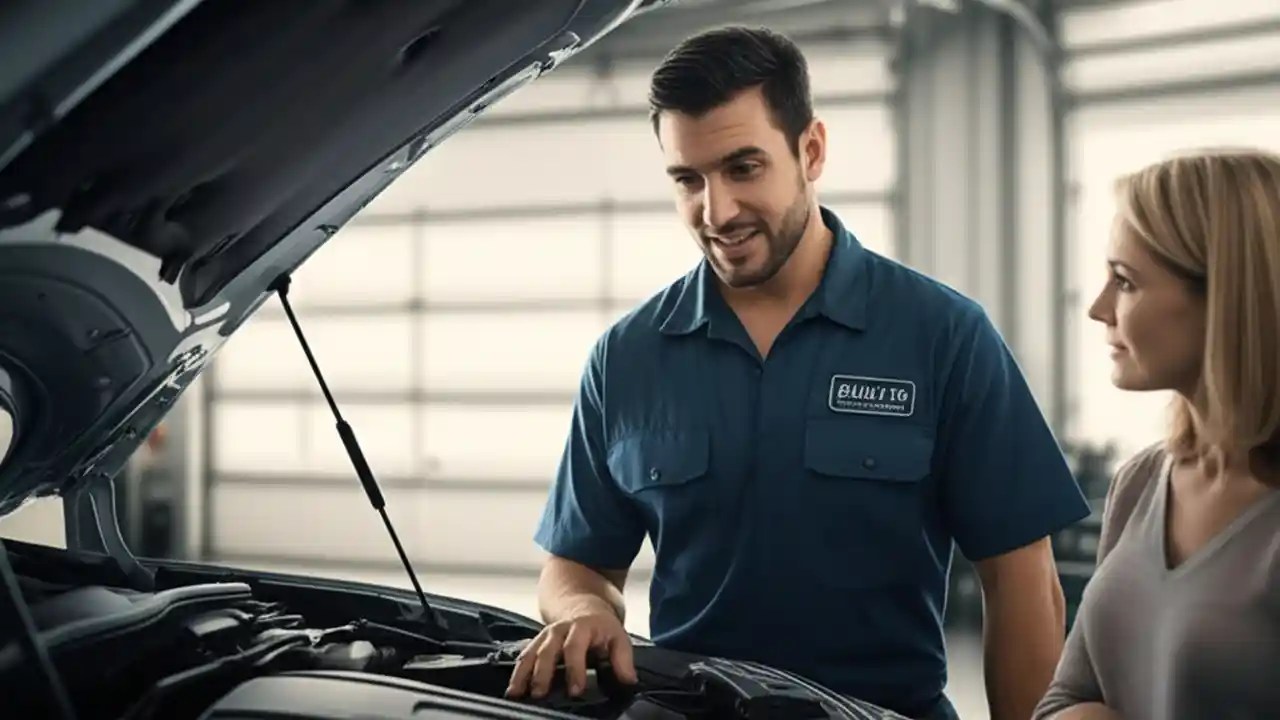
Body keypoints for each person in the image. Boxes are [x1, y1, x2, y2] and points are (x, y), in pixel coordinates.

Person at [507, 25, 1092, 720]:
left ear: (810, 150)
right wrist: (579, 608)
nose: (716, 212)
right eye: (688, 180)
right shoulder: (626, 358)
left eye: (743, 168)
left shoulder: (943, 335)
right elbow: (578, 562)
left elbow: (1022, 583)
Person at [1033, 149, 1280, 720]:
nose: (1098, 309)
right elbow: (1066, 697)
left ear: (1226, 298)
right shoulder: (1144, 480)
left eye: (1125, 281)